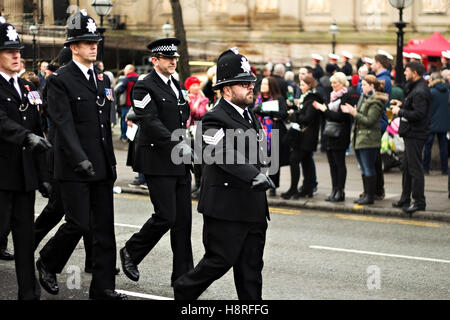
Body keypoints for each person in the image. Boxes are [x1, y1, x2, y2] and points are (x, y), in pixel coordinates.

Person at [36, 10, 126, 300]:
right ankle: (47, 261)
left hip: (100, 164)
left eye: (95, 41)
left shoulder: (99, 79)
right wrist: (80, 159)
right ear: (73, 46)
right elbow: (63, 125)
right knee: (79, 223)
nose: (93, 45)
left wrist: (110, 163)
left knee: (104, 231)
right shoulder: (61, 79)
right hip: (75, 167)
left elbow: (101, 125)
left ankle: (103, 290)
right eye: (87, 42)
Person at [173, 47, 275, 300]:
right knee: (218, 262)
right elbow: (222, 151)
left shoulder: (249, 114)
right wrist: (253, 174)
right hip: (226, 208)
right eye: (244, 83)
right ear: (227, 89)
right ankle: (184, 292)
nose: (252, 86)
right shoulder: (213, 118)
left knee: (251, 269)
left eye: (251, 81)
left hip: (252, 206)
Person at [119, 37, 194, 287]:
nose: (173, 61)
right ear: (155, 60)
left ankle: (183, 277)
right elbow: (150, 122)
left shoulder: (176, 84)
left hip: (180, 159)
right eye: (168, 58)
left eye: (175, 58)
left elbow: (182, 119)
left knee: (183, 222)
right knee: (166, 216)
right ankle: (131, 250)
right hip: (157, 159)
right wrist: (177, 143)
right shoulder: (143, 86)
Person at [0, 21, 52, 299]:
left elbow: (37, 131)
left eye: (17, 49)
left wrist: (43, 175)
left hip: (23, 178)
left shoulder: (26, 87)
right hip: (2, 176)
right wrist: (25, 137)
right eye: (8, 50)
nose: (16, 55)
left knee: (24, 239)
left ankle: (28, 294)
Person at [391, 61, 431, 214]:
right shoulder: (416, 88)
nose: (404, 73)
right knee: (407, 168)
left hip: (416, 134)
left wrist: (399, 112)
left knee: (415, 169)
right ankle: (405, 198)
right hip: (411, 133)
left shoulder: (420, 90)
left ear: (415, 73)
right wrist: (401, 105)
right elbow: (414, 107)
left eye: (407, 71)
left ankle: (419, 201)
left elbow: (419, 114)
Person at [341, 75, 387, 204]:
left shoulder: (376, 101)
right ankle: (366, 193)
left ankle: (370, 196)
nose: (362, 87)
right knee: (363, 168)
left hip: (369, 138)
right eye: (361, 84)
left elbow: (370, 120)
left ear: (372, 86)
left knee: (368, 168)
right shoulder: (364, 98)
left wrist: (354, 113)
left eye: (365, 85)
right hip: (360, 137)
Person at [313, 72, 352, 202]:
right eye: (332, 83)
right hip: (330, 134)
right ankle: (334, 189)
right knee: (332, 164)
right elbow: (328, 117)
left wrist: (324, 110)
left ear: (342, 84)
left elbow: (341, 117)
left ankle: (340, 191)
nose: (333, 85)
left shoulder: (346, 97)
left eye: (335, 83)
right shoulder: (332, 97)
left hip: (340, 134)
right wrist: (323, 110)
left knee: (339, 164)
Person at [283, 75, 323, 199]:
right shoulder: (306, 98)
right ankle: (307, 189)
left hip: (306, 137)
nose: (301, 87)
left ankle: (294, 189)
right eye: (300, 84)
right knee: (306, 163)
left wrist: (294, 114)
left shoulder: (311, 99)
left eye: (303, 85)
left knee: (294, 160)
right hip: (304, 136)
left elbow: (306, 119)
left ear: (309, 86)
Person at [252, 76, 288, 197]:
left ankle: (273, 185)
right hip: (259, 132)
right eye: (262, 84)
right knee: (259, 160)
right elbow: (252, 112)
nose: (263, 87)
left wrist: (266, 111)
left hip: (274, 132)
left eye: (266, 85)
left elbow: (283, 114)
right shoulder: (257, 99)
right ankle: (259, 182)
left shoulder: (279, 99)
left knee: (273, 162)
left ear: (271, 86)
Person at [370, 54, 393, 200]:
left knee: (373, 158)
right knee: (374, 157)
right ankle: (377, 189)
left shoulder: (383, 79)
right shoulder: (381, 78)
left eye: (373, 62)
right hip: (379, 120)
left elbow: (375, 99)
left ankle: (377, 189)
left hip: (378, 120)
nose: (371, 65)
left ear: (378, 63)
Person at [185, 76, 209, 199]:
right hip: (187, 130)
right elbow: (185, 112)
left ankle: (200, 185)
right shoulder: (185, 98)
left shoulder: (203, 99)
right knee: (190, 158)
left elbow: (200, 113)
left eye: (197, 85)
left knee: (199, 159)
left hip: (199, 130)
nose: (195, 87)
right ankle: (196, 183)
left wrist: (195, 104)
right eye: (193, 85)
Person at [423, 73, 449, 175]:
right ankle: (445, 169)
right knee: (444, 147)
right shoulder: (448, 92)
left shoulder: (431, 92)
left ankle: (425, 168)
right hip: (444, 123)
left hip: (431, 123)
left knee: (427, 147)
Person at [114, 64, 139, 142]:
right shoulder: (139, 78)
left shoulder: (126, 79)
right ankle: (132, 137)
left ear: (130, 70)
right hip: (136, 104)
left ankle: (124, 136)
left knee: (125, 120)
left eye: (125, 69)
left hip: (126, 104)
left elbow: (119, 89)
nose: (124, 71)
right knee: (134, 120)